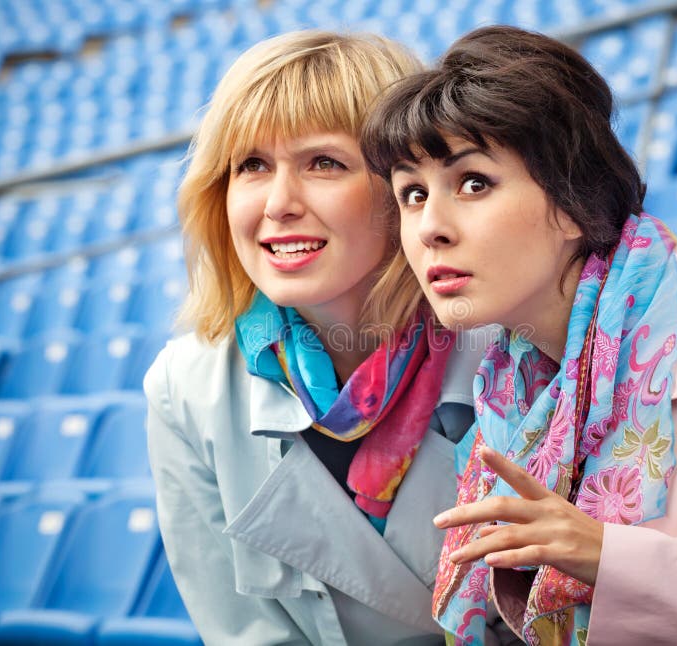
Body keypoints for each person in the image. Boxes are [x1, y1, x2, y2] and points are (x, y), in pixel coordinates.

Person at [361, 25, 677, 646]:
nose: (430, 226)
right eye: (411, 194)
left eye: (474, 182)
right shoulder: (505, 401)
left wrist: (610, 557)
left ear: (572, 198)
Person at [144, 31, 496, 646]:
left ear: (405, 189)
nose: (278, 204)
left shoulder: (506, 342)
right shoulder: (184, 388)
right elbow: (241, 631)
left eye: (323, 163)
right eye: (251, 165)